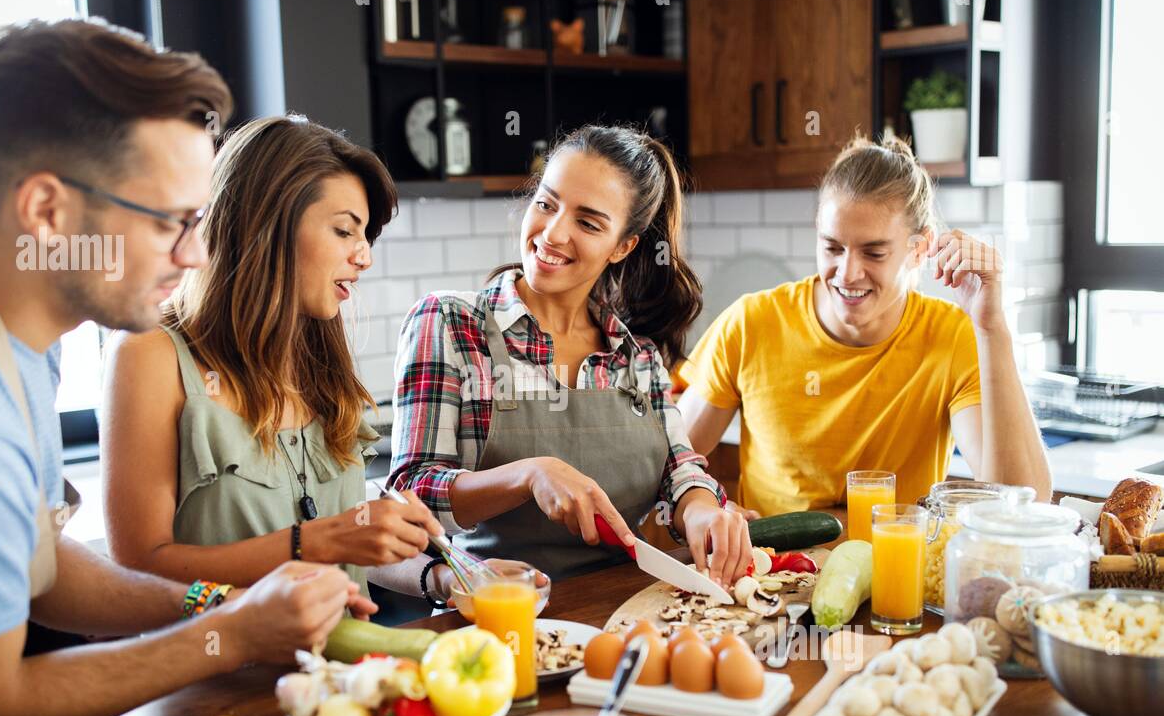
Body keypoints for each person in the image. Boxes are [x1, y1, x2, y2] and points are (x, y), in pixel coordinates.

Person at [0, 19, 363, 716]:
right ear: (47, 211)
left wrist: (217, 602)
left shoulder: (4, 332)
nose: (196, 253)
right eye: (170, 221)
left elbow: (44, 563)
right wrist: (232, 634)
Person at [102, 115, 540, 604]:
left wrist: (448, 576)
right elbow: (140, 568)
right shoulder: (150, 355)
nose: (364, 257)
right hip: (223, 672)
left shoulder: (314, 358)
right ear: (266, 222)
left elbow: (353, 544)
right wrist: (316, 542)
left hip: (346, 677)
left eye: (364, 237)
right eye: (343, 231)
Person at [390, 124, 755, 587]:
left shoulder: (636, 356)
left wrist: (701, 509)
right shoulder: (450, 324)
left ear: (623, 246)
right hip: (498, 615)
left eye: (587, 222)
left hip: (623, 614)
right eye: (546, 203)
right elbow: (409, 498)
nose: (553, 233)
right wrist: (527, 475)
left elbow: (678, 471)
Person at [677, 133, 1052, 517]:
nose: (848, 273)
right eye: (832, 248)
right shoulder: (751, 324)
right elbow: (670, 464)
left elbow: (1024, 503)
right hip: (774, 573)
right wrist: (710, 508)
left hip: (898, 574)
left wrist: (992, 329)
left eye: (874, 252)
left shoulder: (952, 337)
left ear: (919, 249)